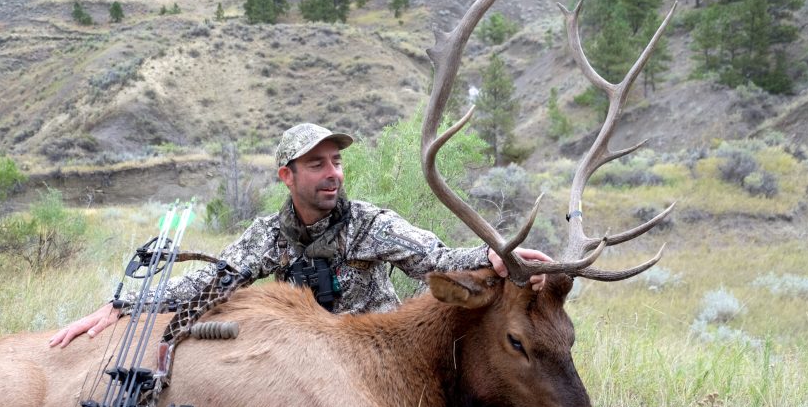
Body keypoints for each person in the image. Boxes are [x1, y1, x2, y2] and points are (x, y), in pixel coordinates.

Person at [49, 123, 551, 348]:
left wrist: (491, 255)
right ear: (287, 177)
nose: (333, 173)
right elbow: (213, 282)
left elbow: (435, 259)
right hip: (304, 360)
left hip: (375, 358)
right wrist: (125, 306)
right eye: (317, 164)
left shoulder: (371, 223)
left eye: (336, 162)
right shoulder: (268, 236)